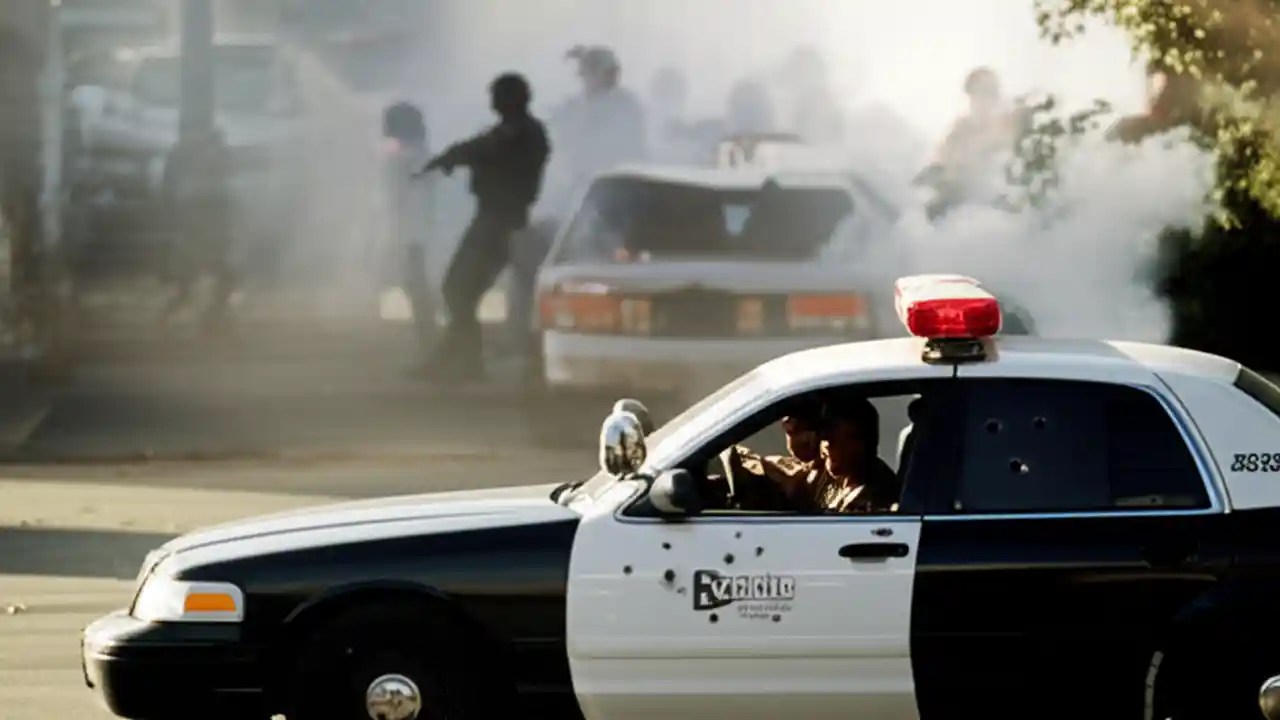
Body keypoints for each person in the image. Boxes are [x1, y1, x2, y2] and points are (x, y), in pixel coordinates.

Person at [414, 73, 550, 382]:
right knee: (461, 292)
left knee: (458, 290)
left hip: (501, 222)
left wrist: (452, 158)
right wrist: (450, 158)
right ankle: (457, 358)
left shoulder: (523, 133)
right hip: (494, 219)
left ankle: (466, 361)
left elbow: (486, 148)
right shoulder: (514, 132)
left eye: (498, 96)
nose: (493, 102)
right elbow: (480, 146)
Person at [158, 127, 237, 333]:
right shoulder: (203, 185)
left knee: (204, 284)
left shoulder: (198, 183)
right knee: (216, 281)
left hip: (199, 242)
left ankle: (205, 320)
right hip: (199, 242)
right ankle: (204, 321)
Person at [376, 101, 438, 353]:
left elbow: (397, 196)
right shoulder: (418, 153)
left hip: (413, 234)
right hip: (415, 231)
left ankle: (429, 341)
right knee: (415, 284)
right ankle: (428, 339)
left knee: (416, 285)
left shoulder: (406, 156)